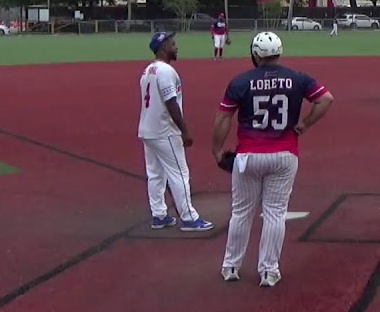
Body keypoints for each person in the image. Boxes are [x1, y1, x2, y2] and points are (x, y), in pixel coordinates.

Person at [213, 31, 334, 287]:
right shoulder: (297, 78)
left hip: (249, 154)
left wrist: (217, 149)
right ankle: (269, 270)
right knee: (275, 213)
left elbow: (223, 118)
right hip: (284, 153)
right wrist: (305, 124)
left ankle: (231, 266)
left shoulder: (241, 81)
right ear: (279, 51)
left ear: (256, 54)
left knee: (241, 212)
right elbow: (325, 99)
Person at [139, 32, 214, 232]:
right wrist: (185, 131)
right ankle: (189, 217)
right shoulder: (165, 71)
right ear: (163, 48)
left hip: (147, 129)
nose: (176, 47)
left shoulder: (148, 71)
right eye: (172, 44)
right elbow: (171, 103)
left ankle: (159, 215)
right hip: (165, 131)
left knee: (155, 174)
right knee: (179, 173)